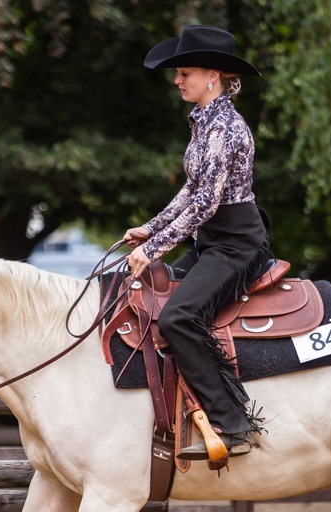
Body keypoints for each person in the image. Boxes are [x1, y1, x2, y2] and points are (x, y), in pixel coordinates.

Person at [123, 25, 270, 460]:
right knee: (150, 291)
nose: (177, 80)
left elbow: (207, 202)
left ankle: (233, 425)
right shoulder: (204, 121)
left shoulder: (225, 127)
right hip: (212, 243)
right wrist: (150, 228)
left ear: (212, 76)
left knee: (179, 318)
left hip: (237, 245)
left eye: (184, 73)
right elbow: (191, 190)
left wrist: (153, 248)